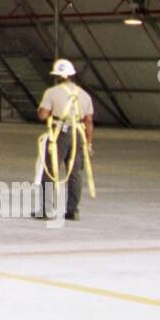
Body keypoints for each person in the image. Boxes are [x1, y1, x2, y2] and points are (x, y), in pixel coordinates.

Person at [35, 58, 94, 222]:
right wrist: (88, 144)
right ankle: (72, 211)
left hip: (59, 134)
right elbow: (89, 121)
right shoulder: (84, 95)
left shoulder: (51, 93)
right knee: (75, 174)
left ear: (57, 76)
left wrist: (41, 108)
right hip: (78, 135)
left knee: (50, 171)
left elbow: (43, 115)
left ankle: (47, 210)